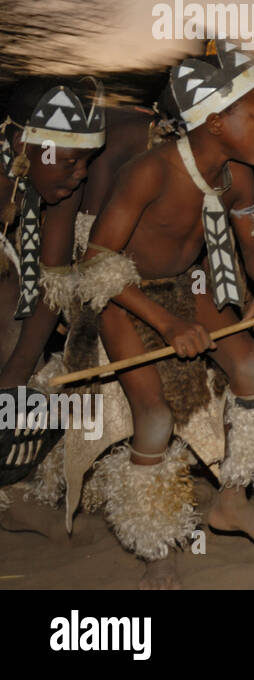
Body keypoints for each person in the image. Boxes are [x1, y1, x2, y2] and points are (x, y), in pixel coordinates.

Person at [70, 42, 254, 588]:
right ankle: (156, 544)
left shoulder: (236, 178)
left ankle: (231, 502)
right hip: (125, 296)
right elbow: (98, 262)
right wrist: (166, 324)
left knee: (253, 363)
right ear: (215, 122)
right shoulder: (151, 171)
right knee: (156, 418)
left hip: (184, 291)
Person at [0, 79, 105, 538]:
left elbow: (54, 280)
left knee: (21, 319)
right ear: (26, 145)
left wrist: (16, 375)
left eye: (86, 159)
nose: (81, 173)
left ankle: (14, 489)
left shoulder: (57, 181)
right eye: (70, 160)